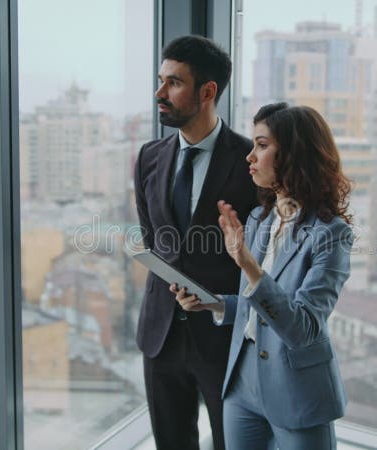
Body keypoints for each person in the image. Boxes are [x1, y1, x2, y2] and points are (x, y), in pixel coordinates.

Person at [173, 102, 354, 449]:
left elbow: (303, 329)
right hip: (242, 384)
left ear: (293, 154)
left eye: (262, 144)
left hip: (297, 391)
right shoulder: (259, 219)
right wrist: (209, 304)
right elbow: (253, 306)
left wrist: (247, 264)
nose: (249, 156)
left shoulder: (332, 233)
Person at [133, 35, 259, 450]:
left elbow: (263, 257)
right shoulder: (149, 157)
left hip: (224, 340)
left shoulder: (249, 162)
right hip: (161, 336)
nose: (159, 93)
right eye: (159, 80)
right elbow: (155, 241)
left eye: (173, 83)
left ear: (207, 92)